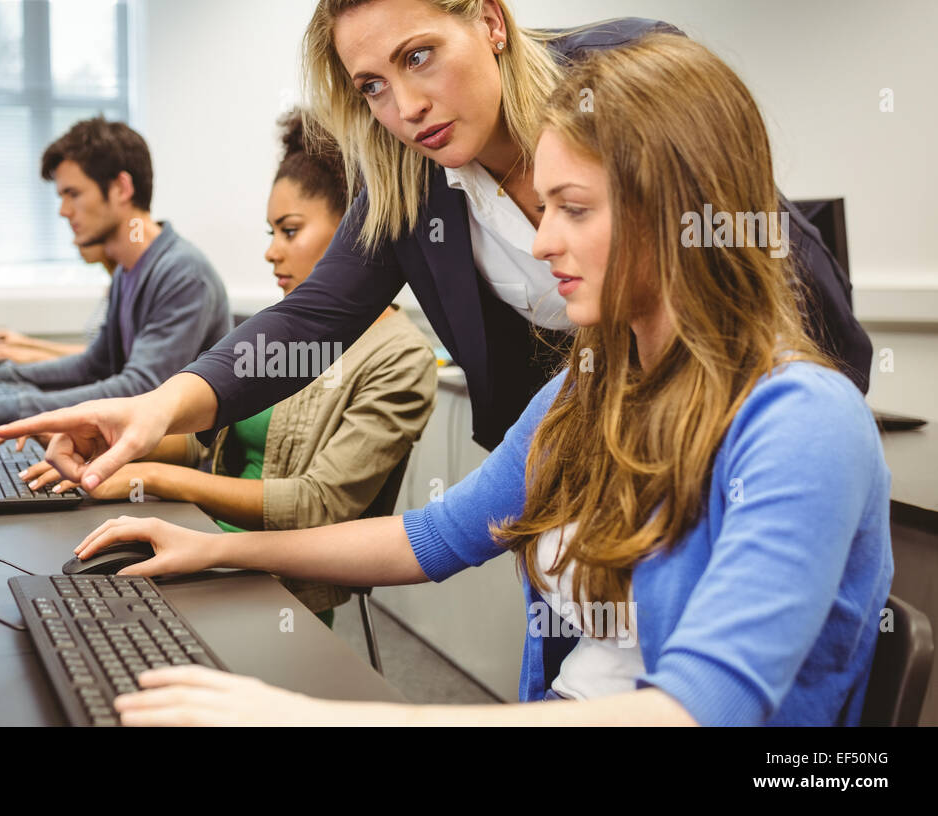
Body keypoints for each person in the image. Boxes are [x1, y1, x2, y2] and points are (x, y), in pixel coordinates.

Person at [59, 35, 893, 726]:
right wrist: (210, 549)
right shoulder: (593, 386)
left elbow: (697, 710)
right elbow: (432, 538)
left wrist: (320, 717)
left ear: (672, 210)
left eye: (574, 208)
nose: (537, 243)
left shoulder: (802, 420)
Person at [0, 0, 872, 498]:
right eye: (373, 84)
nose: (405, 107)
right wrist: (160, 408)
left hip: (710, 437)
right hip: (565, 453)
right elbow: (313, 318)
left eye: (421, 56)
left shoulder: (621, 82)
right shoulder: (409, 178)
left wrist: (807, 435)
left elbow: (770, 271)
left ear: (488, 21)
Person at [22, 111, 438, 627]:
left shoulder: (399, 357)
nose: (270, 251)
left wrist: (149, 475)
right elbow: (201, 442)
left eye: (290, 231)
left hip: (274, 582)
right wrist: (111, 450)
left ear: (356, 236)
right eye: (271, 232)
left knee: (92, 625)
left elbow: (317, 505)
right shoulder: (282, 331)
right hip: (197, 537)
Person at [0, 116, 231, 426]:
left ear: (121, 188)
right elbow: (94, 365)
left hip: (189, 461)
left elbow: (140, 390)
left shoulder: (183, 274)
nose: (63, 211)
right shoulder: (128, 270)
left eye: (73, 194)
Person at [0, 243, 116, 364]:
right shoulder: (114, 283)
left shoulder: (128, 286)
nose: (75, 242)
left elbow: (104, 363)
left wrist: (34, 355)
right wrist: (25, 343)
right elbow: (93, 353)